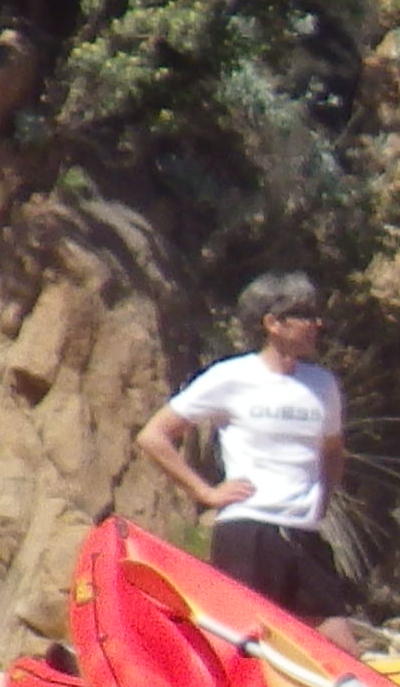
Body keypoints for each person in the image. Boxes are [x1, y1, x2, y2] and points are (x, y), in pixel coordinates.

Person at [139, 272, 357, 640]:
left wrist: (322, 500)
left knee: (340, 646)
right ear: (273, 323)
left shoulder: (323, 384)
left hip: (304, 533)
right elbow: (153, 436)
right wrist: (205, 493)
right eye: (304, 315)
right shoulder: (231, 376)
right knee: (243, 644)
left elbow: (333, 450)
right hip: (248, 532)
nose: (316, 324)